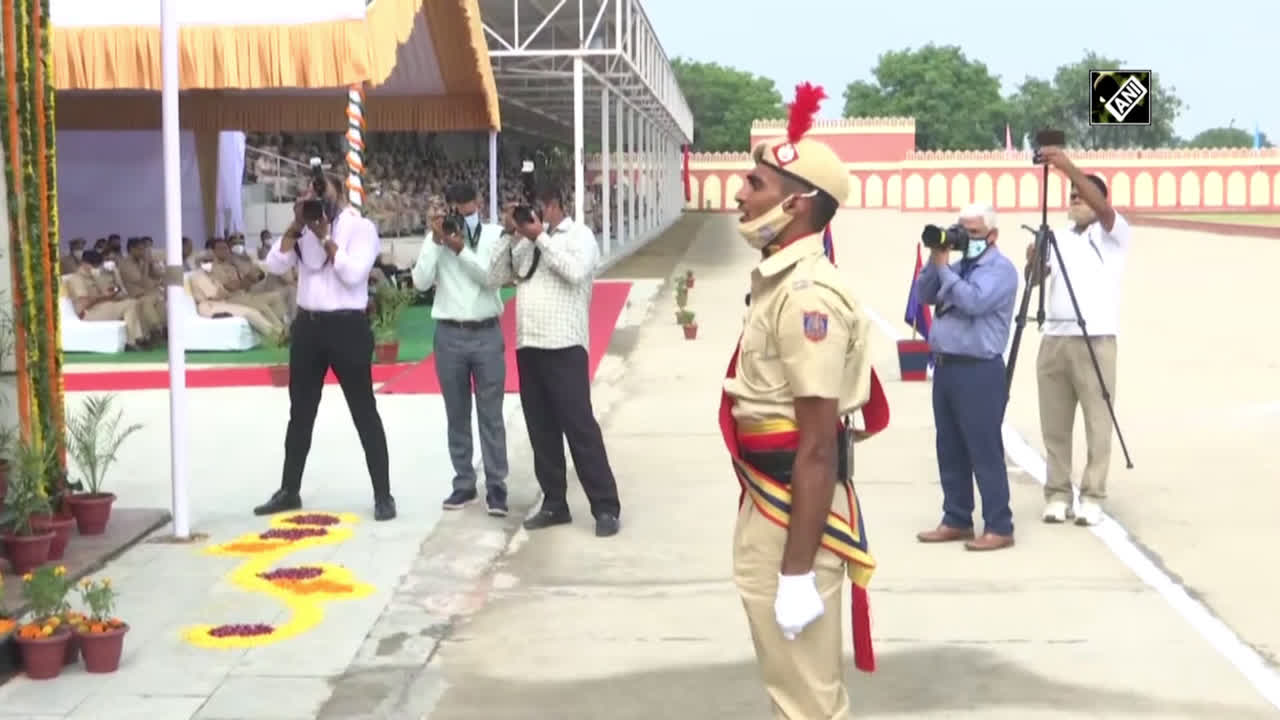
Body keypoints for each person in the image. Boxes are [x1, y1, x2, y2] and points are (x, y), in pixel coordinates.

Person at [721, 87, 883, 719]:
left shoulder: (808, 295)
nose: (739, 193)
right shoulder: (780, 280)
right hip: (773, 498)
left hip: (795, 511)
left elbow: (817, 444)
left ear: (796, 202)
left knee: (807, 696)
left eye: (754, 183)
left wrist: (795, 572)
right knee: (790, 684)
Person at [253, 174, 396, 522]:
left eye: (322, 193)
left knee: (364, 410)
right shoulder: (302, 230)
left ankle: (383, 494)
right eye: (309, 194)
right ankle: (289, 490)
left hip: (346, 326)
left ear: (341, 193)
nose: (316, 200)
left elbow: (352, 274)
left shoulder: (360, 228)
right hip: (308, 327)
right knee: (300, 412)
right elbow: (273, 265)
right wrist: (296, 226)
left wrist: (326, 238)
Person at [487, 183, 621, 538]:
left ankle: (605, 506)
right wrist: (509, 234)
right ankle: (554, 502)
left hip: (564, 345)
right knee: (541, 429)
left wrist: (540, 239)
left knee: (579, 427)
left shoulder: (579, 236)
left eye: (538, 208)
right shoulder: (523, 241)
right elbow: (495, 277)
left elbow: (575, 273)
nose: (533, 215)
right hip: (529, 344)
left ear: (554, 206)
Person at [1027, 147, 1131, 527]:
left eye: (1081, 195)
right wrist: (1034, 259)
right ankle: (1057, 493)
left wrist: (1066, 167)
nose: (1075, 200)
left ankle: (1092, 494)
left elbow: (1102, 210)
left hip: (1096, 340)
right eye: (1071, 196)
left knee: (1096, 422)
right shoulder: (1059, 237)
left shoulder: (1113, 234)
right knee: (1055, 424)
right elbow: (1035, 281)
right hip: (1055, 337)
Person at [913, 204, 1019, 552]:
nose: (964, 237)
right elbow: (924, 295)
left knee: (983, 449)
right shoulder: (955, 267)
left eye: (972, 233)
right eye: (960, 229)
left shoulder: (1000, 270)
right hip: (946, 367)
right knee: (950, 447)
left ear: (992, 236)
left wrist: (945, 272)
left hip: (979, 370)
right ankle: (957, 518)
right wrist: (936, 259)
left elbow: (974, 302)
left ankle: (999, 525)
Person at [411, 185, 509, 516]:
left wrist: (460, 250)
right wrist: (436, 245)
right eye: (457, 209)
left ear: (479, 204)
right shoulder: (436, 240)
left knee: (491, 415)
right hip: (450, 333)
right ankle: (464, 483)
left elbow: (491, 279)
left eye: (468, 208)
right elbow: (420, 283)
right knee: (456, 413)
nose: (462, 215)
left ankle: (496, 486)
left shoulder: (495, 235)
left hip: (485, 332)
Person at [64, 250, 150, 350]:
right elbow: (83, 303)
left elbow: (109, 290)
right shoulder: (76, 279)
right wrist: (104, 296)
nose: (96, 268)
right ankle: (134, 340)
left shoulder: (92, 277)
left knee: (133, 302)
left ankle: (140, 338)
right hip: (89, 313)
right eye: (94, 266)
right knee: (130, 304)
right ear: (84, 264)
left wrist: (112, 289)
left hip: (101, 307)